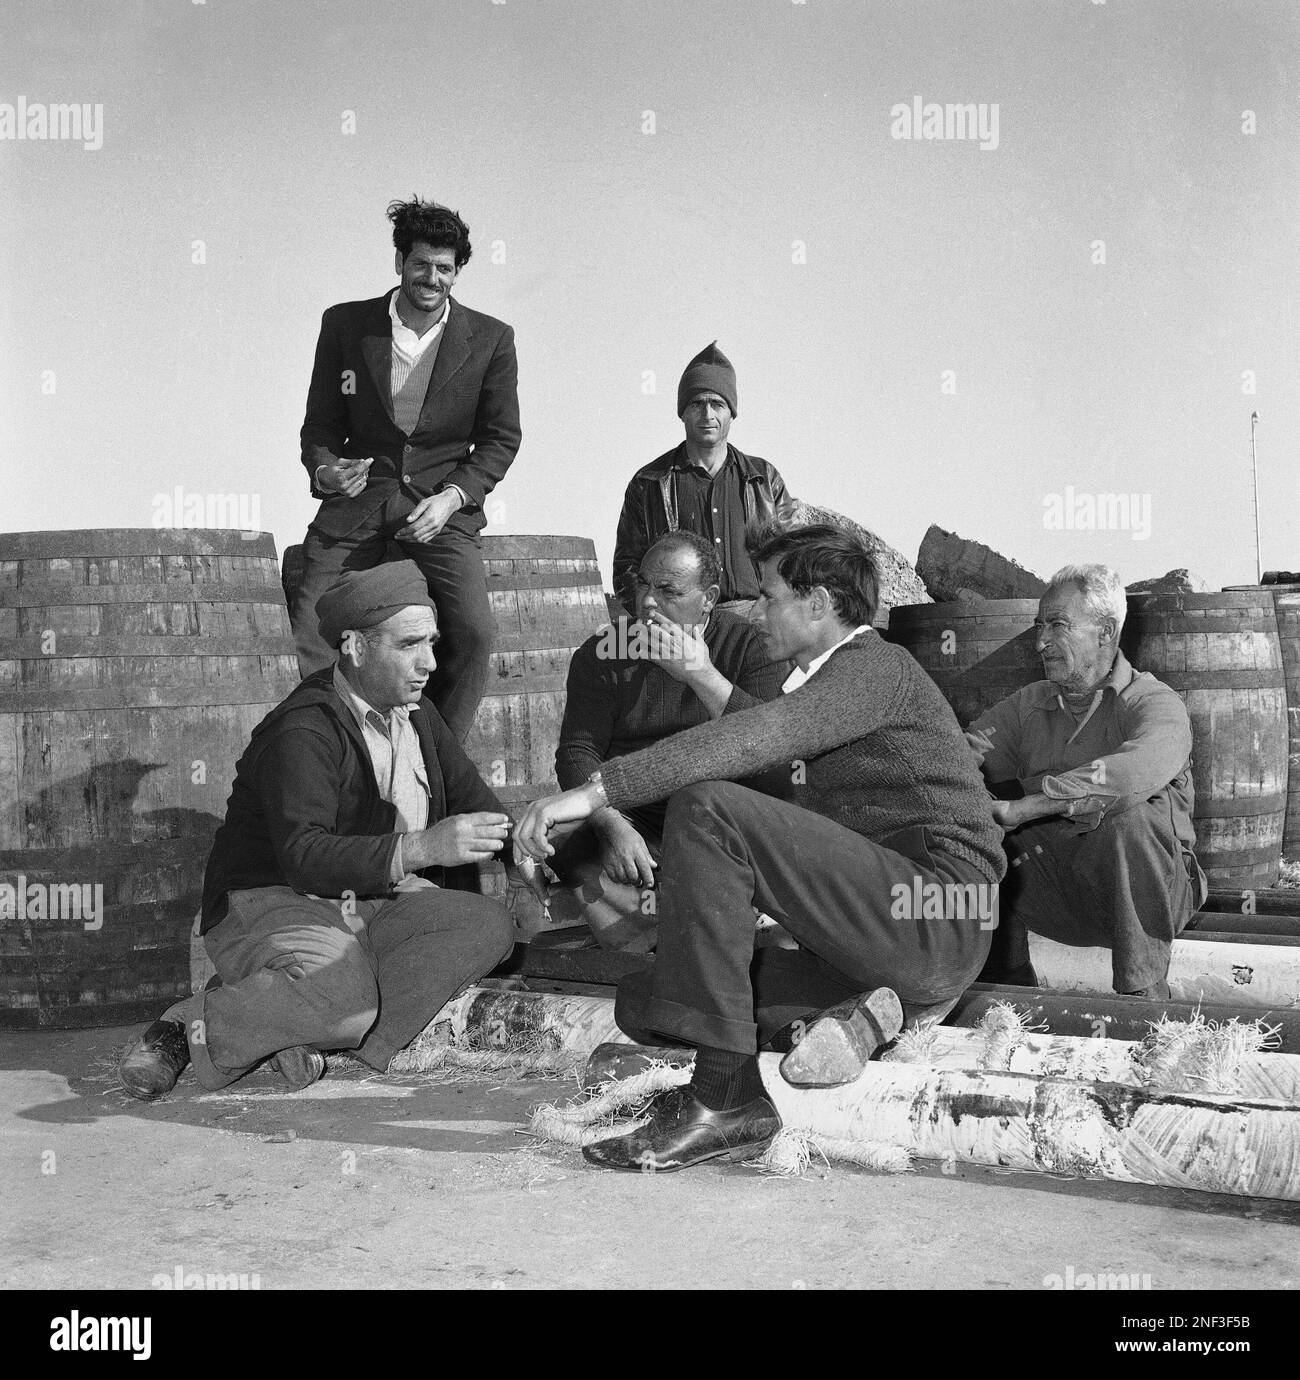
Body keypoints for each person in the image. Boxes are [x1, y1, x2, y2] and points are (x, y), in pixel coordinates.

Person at [513, 523, 1005, 1173]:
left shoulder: (875, 667)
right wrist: (698, 674)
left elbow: (760, 739)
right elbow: (770, 746)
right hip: (875, 935)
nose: (760, 608)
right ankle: (876, 1013)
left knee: (707, 805)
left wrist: (593, 794)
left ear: (820, 605)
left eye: (773, 596)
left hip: (937, 913)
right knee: (652, 1000)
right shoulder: (827, 685)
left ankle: (725, 1100)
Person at [119, 563, 517, 1101]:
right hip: (275, 898)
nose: (428, 662)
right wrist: (423, 847)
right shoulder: (304, 728)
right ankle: (187, 1024)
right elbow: (303, 857)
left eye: (432, 643)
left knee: (486, 924)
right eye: (409, 645)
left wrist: (528, 850)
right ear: (353, 645)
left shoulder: (416, 715)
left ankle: (310, 1028)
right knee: (343, 1001)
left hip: (367, 899)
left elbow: (479, 806)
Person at [289, 195, 521, 739]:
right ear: (399, 262)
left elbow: (500, 439)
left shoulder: (492, 339)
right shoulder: (345, 326)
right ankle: (337, 747)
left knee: (474, 632)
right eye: (421, 264)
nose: (431, 278)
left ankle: (437, 753)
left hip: (441, 507)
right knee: (310, 625)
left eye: (444, 268)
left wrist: (453, 498)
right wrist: (325, 472)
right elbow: (319, 426)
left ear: (458, 271)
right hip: (356, 506)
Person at [966, 563, 1206, 1000]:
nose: (1040, 642)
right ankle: (1008, 987)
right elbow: (963, 757)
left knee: (1130, 819)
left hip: (1149, 899)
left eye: (1057, 625)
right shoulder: (1029, 704)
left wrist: (1026, 807)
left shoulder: (1154, 703)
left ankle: (1145, 997)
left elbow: (1130, 772)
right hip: (1058, 895)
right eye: (1040, 626)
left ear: (1105, 631)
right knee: (971, 827)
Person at [549, 531, 789, 951]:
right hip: (632, 817)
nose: (647, 602)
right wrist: (609, 824)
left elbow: (771, 750)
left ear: (709, 598)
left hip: (717, 817)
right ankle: (659, 942)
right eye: (642, 583)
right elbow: (576, 752)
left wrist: (701, 675)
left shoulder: (749, 646)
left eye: (668, 590)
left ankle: (688, 934)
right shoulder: (603, 652)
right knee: (560, 833)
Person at [612, 342, 792, 616]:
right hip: (681, 624)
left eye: (717, 404)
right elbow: (627, 569)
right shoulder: (649, 483)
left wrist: (773, 615)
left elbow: (793, 558)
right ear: (682, 411)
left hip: (756, 622)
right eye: (697, 403)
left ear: (731, 411)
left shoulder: (765, 479)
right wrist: (659, 616)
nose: (707, 415)